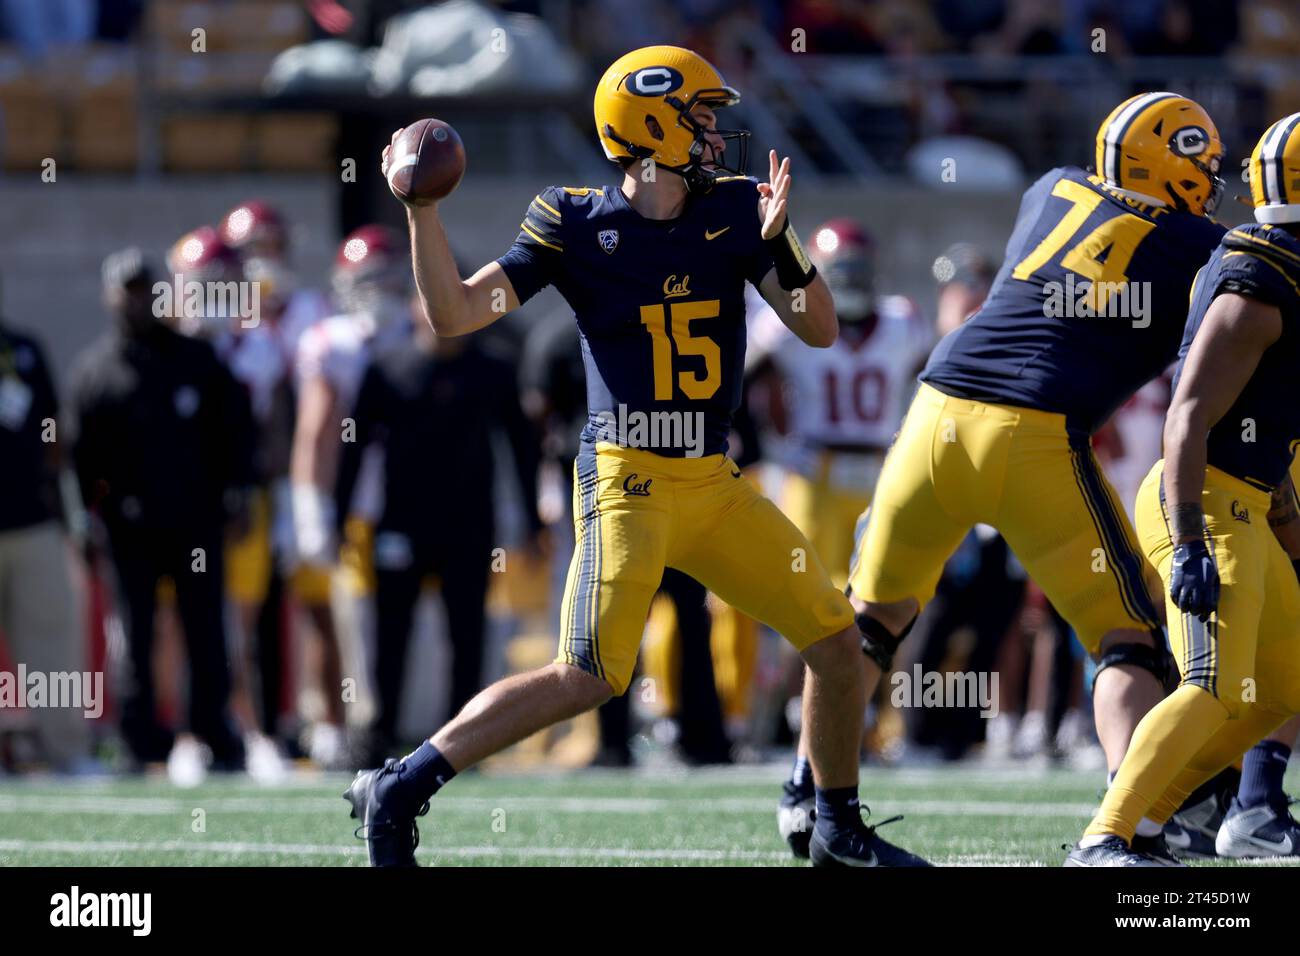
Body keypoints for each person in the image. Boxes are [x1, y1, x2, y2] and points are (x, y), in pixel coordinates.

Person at [345, 44, 925, 868]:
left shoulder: (732, 209)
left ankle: (834, 826)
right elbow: (455, 315)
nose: (715, 131)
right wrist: (422, 212)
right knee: (588, 674)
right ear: (649, 122)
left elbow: (819, 328)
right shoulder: (573, 220)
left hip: (715, 480)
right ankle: (401, 784)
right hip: (629, 477)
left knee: (836, 646)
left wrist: (785, 242)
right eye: (698, 114)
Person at [792, 92, 1227, 857]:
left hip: (931, 416)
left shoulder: (1050, 187)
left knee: (867, 624)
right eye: (1200, 165)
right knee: (1127, 639)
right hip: (1033, 432)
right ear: (1175, 165)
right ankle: (1127, 826)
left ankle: (812, 801)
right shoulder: (1196, 241)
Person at [1068, 114, 1300, 865]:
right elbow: (1189, 415)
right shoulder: (1260, 279)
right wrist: (1192, 536)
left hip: (1249, 504)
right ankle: (1105, 837)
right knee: (1208, 685)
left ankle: (1158, 819)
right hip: (1203, 501)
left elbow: (1272, 429)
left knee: (1281, 687)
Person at [68, 247, 251, 774]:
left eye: (145, 290)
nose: (136, 300)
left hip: (197, 522)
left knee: (205, 630)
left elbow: (234, 433)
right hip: (130, 528)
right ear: (110, 297)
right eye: (126, 291)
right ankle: (139, 741)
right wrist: (84, 522)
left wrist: (238, 495)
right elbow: (81, 461)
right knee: (135, 634)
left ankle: (214, 734)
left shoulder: (197, 360)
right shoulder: (96, 372)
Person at [339, 299, 544, 763]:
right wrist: (338, 517)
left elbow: (521, 448)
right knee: (391, 636)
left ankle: (462, 740)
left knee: (467, 636)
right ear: (418, 310)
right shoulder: (388, 368)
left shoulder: (492, 370)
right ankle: (378, 735)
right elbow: (353, 446)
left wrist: (531, 522)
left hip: (468, 528)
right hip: (400, 527)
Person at [290, 224, 414, 767]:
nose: (378, 290)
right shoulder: (330, 341)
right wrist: (313, 506)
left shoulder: (417, 331)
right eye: (366, 280)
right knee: (346, 619)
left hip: (406, 503)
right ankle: (345, 727)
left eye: (387, 277)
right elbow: (314, 431)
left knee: (387, 626)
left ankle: (385, 726)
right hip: (354, 506)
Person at [0, 289, 90, 772]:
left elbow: (53, 431)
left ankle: (68, 750)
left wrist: (63, 506)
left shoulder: (25, 348)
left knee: (52, 644)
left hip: (33, 519)